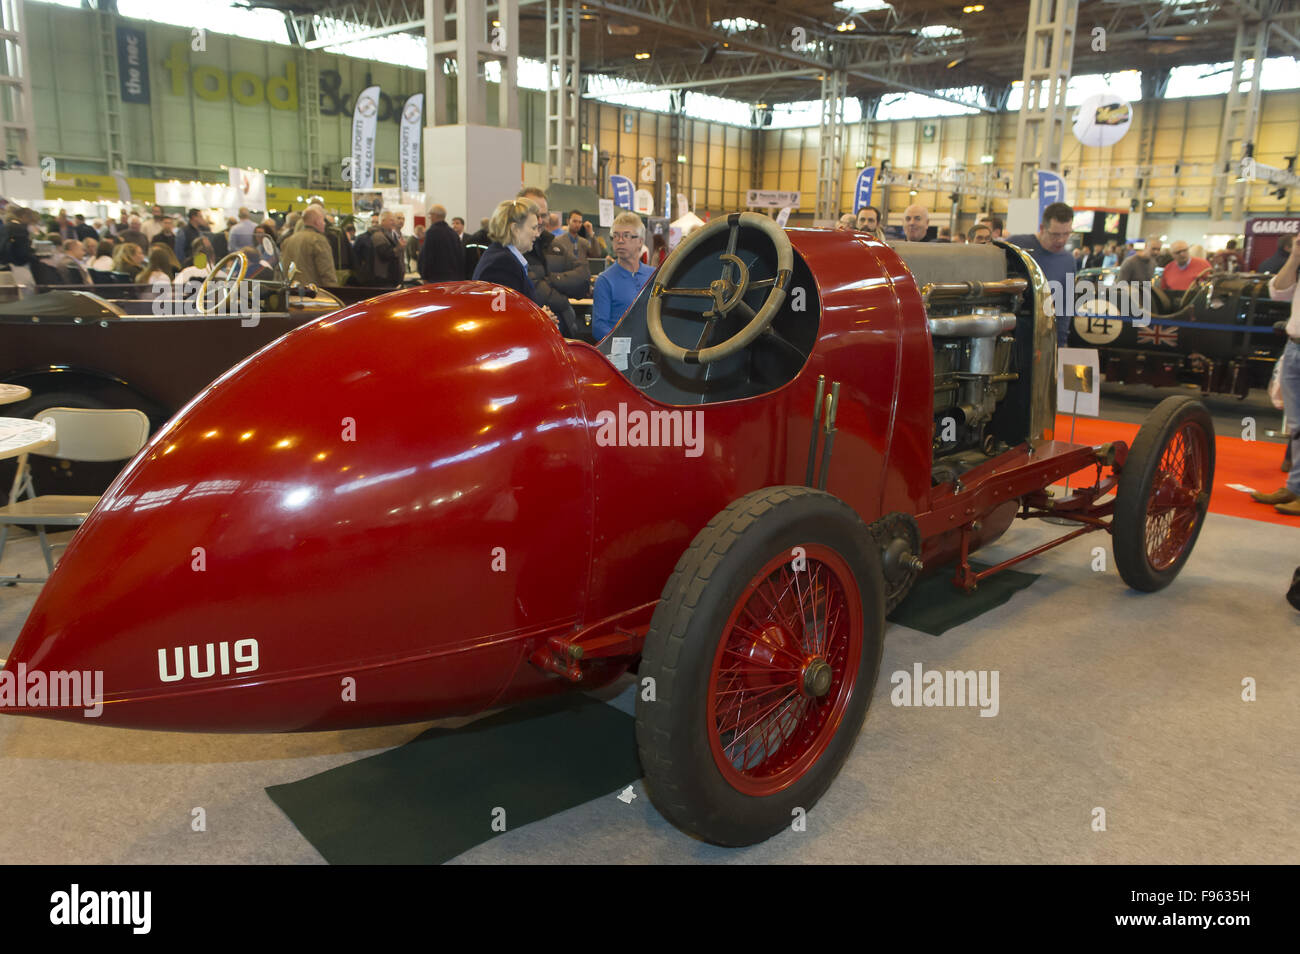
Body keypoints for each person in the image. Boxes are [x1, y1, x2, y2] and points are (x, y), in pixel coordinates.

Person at [1251, 238, 1300, 516]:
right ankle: (1295, 488)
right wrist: (1295, 257)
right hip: (1294, 346)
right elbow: (1278, 292)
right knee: (1296, 426)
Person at [472, 196, 558, 326]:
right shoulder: (501, 264)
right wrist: (539, 318)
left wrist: (539, 315)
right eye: (533, 228)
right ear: (515, 229)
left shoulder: (501, 257)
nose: (537, 234)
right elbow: (500, 319)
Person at [1009, 201, 1077, 347]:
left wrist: (1060, 343)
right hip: (1009, 331)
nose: (1061, 240)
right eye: (1055, 234)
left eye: (1067, 234)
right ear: (1042, 228)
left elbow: (1064, 307)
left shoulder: (1068, 261)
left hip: (1041, 339)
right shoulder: (1016, 245)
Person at [592, 212, 657, 341]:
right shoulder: (605, 280)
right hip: (620, 350)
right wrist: (627, 344)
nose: (620, 241)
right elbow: (599, 328)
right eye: (616, 236)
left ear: (640, 241)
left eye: (626, 236)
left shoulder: (654, 276)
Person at [279, 206, 338, 287]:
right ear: (317, 222)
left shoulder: (288, 240)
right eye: (323, 220)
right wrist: (333, 291)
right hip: (312, 291)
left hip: (291, 290)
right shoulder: (318, 240)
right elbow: (327, 272)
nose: (324, 223)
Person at [351, 211, 404, 287]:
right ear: (383, 221)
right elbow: (385, 254)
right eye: (391, 220)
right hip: (381, 279)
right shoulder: (378, 235)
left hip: (387, 278)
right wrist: (399, 248)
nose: (394, 222)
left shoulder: (390, 235)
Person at [417, 204, 466, 283]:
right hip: (454, 279)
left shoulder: (432, 232)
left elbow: (427, 256)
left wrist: (424, 276)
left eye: (430, 215)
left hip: (436, 279)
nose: (429, 218)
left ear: (435, 215)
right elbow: (460, 256)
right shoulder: (453, 233)